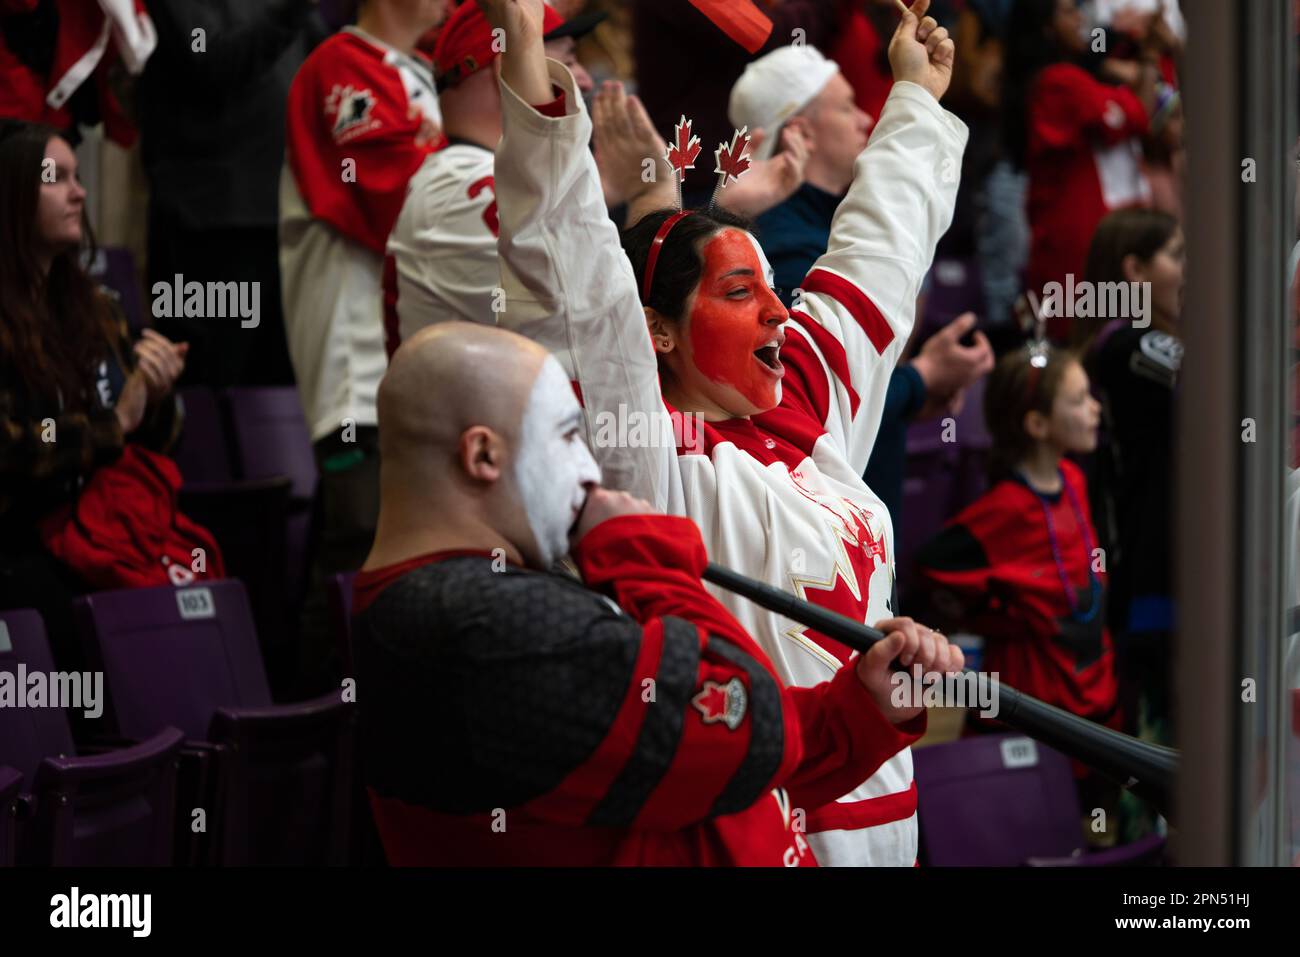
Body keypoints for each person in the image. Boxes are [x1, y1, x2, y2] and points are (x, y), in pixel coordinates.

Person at [486, 0, 966, 866]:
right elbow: (574, 272)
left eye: (774, 288)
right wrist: (524, 50)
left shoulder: (810, 410)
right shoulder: (646, 449)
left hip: (894, 827)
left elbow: (878, 254)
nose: (781, 310)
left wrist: (915, 101)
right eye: (740, 293)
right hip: (763, 835)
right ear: (658, 332)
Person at [355, 321, 962, 866]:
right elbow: (749, 726)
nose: (589, 472)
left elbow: (722, 758)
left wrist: (858, 709)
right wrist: (646, 554)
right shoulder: (483, 627)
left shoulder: (483, 604)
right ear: (483, 454)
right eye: (569, 438)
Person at [729, 42, 993, 529]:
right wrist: (921, 379)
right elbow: (805, 398)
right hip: (821, 526)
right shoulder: (779, 247)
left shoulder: (816, 226)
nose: (864, 121)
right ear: (801, 131)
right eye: (847, 106)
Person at [280, 0, 448, 693]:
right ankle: (297, 754)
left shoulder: (425, 74)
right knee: (358, 553)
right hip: (357, 368)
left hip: (409, 367)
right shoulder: (342, 67)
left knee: (394, 568)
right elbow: (405, 203)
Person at [0, 121, 188, 673]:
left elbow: (153, 440)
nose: (78, 192)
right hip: (19, 538)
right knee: (66, 618)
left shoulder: (96, 305)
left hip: (96, 523)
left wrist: (154, 398)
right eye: (54, 178)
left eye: (78, 177)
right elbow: (10, 446)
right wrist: (112, 424)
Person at [912, 345, 1120, 841]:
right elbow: (930, 569)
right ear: (1038, 425)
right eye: (1078, 400)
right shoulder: (1003, 509)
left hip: (1094, 694)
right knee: (1033, 832)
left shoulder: (1074, 478)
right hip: (1032, 705)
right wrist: (999, 615)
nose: (1094, 408)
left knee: (1094, 838)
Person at [384, 2, 602, 343]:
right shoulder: (463, 183)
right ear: (510, 69)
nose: (586, 82)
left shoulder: (473, 173)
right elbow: (589, 324)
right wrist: (646, 200)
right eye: (570, 63)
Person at [139, 0, 328, 387]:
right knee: (209, 382)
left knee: (278, 388)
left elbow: (323, 68)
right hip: (209, 225)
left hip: (286, 220)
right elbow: (208, 57)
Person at [1071, 208, 1183, 759]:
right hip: (1149, 565)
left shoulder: (1131, 343)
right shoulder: (1129, 345)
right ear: (1135, 270)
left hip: (1157, 559)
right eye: (1179, 256)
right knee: (1161, 732)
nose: (1193, 270)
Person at [1003, 0, 1154, 341]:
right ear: (1046, 26)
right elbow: (1137, 115)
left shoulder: (1076, 75)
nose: (1081, 19)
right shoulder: (1059, 81)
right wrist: (1142, 61)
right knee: (1081, 344)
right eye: (1069, 11)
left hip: (1083, 235)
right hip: (1074, 244)